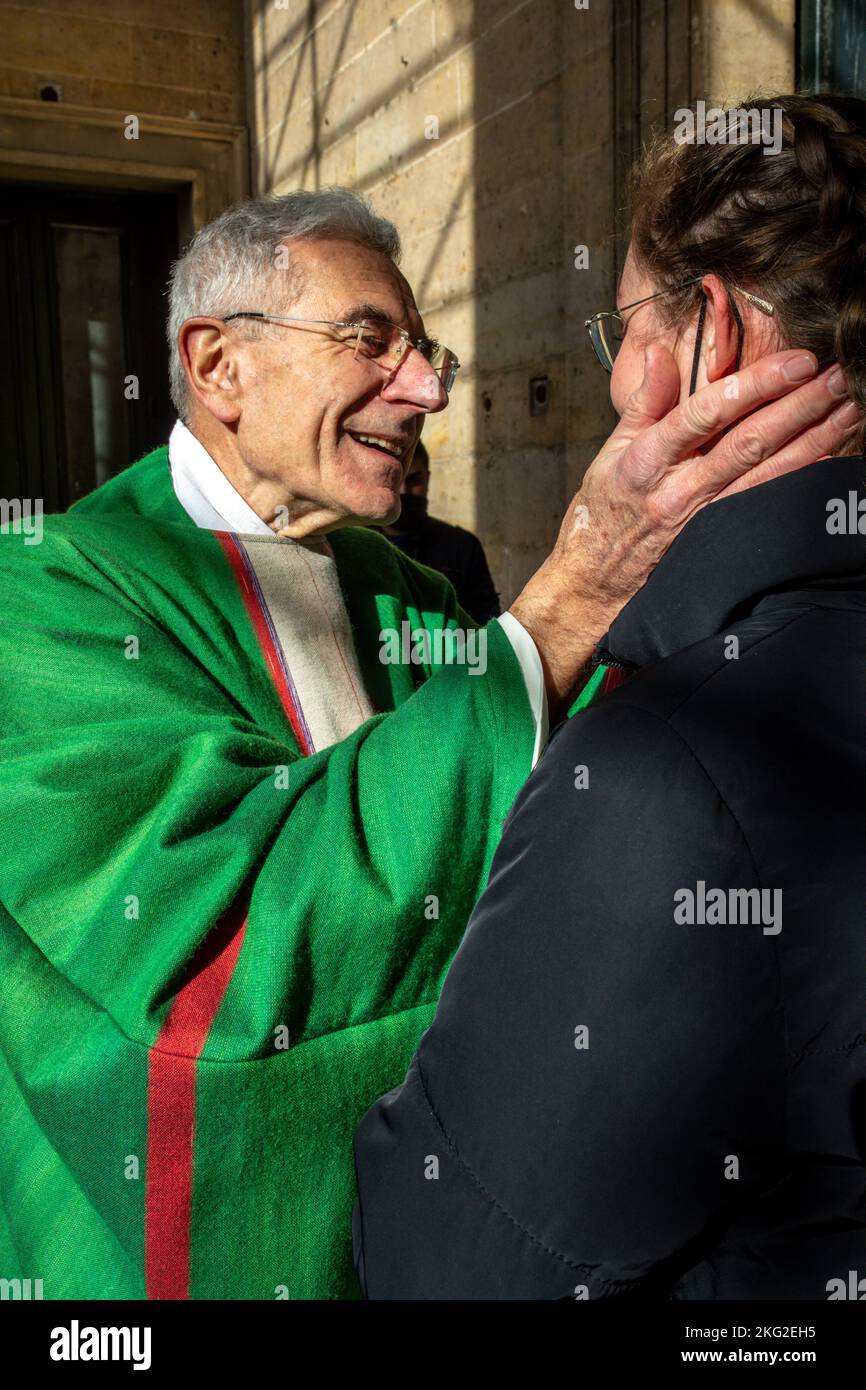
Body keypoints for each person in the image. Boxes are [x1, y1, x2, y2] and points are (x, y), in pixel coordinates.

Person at [0, 186, 851, 1302]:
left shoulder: (402, 588)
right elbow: (222, 938)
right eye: (370, 341)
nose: (426, 390)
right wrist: (571, 591)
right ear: (217, 366)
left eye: (426, 350)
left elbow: (555, 823)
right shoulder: (49, 590)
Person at [353, 93, 866, 1300]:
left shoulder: (667, 773)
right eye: (366, 340)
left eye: (619, 327)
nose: (421, 391)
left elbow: (457, 1262)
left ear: (713, 341)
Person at [381, 441, 501, 622]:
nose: (404, 491)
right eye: (396, 479)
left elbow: (485, 628)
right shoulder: (358, 546)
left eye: (414, 480)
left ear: (427, 479)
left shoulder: (462, 547)